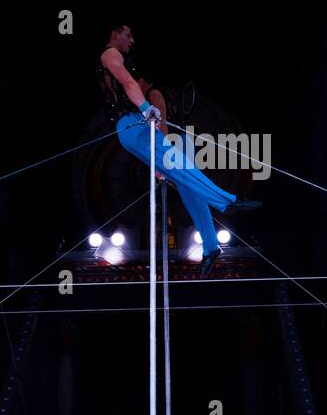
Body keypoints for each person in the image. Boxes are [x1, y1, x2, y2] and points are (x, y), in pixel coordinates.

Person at [97, 20, 259, 277]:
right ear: (114, 34)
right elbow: (129, 84)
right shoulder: (112, 55)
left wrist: (158, 161)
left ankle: (210, 246)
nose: (132, 40)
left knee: (187, 184)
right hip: (133, 124)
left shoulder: (152, 92)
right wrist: (144, 109)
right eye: (128, 34)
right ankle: (227, 201)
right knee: (184, 170)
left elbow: (156, 127)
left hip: (139, 132)